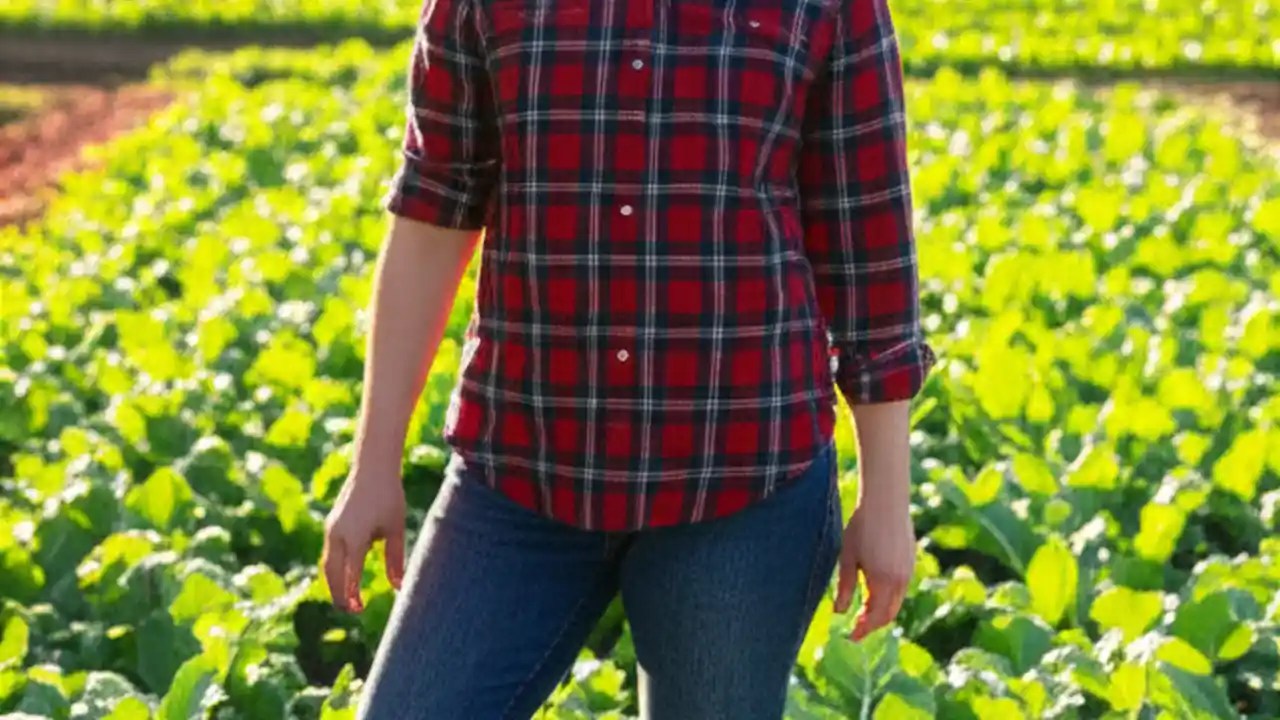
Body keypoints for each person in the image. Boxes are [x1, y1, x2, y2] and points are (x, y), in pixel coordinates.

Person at [322, 0, 936, 714]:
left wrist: (886, 498)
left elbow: (869, 243)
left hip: (743, 483)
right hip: (522, 469)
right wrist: (373, 466)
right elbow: (434, 207)